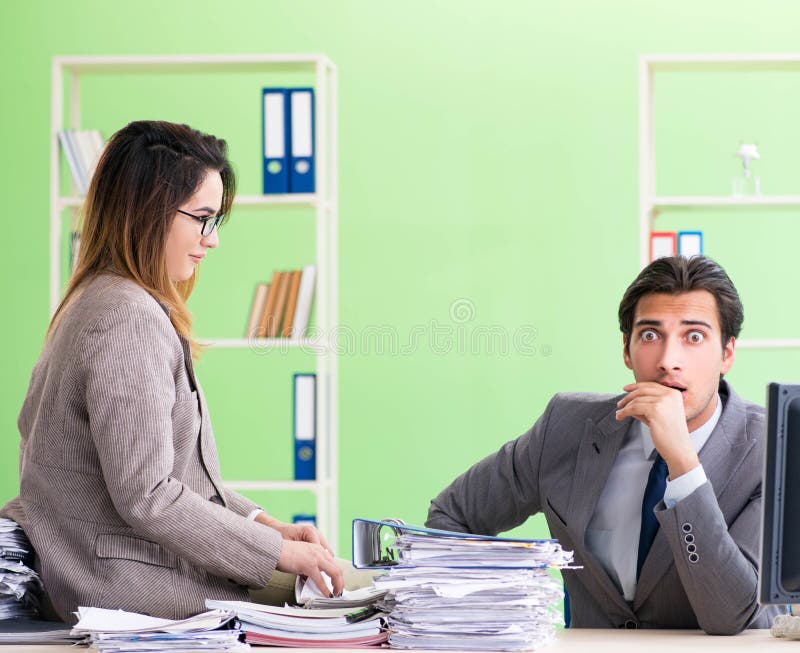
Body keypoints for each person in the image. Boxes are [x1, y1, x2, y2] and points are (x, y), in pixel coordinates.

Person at [0, 120, 344, 623]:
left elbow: (178, 476)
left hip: (112, 568)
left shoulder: (100, 299)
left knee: (340, 584)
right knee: (356, 595)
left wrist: (264, 524)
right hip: (119, 581)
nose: (212, 241)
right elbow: (149, 495)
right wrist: (278, 553)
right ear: (148, 210)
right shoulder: (125, 317)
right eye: (202, 217)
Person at [426, 255, 785, 634]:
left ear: (727, 353)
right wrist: (499, 618)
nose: (668, 361)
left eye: (693, 337)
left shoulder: (771, 450)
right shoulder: (565, 427)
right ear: (627, 350)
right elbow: (451, 518)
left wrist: (682, 463)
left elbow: (733, 616)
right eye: (650, 335)